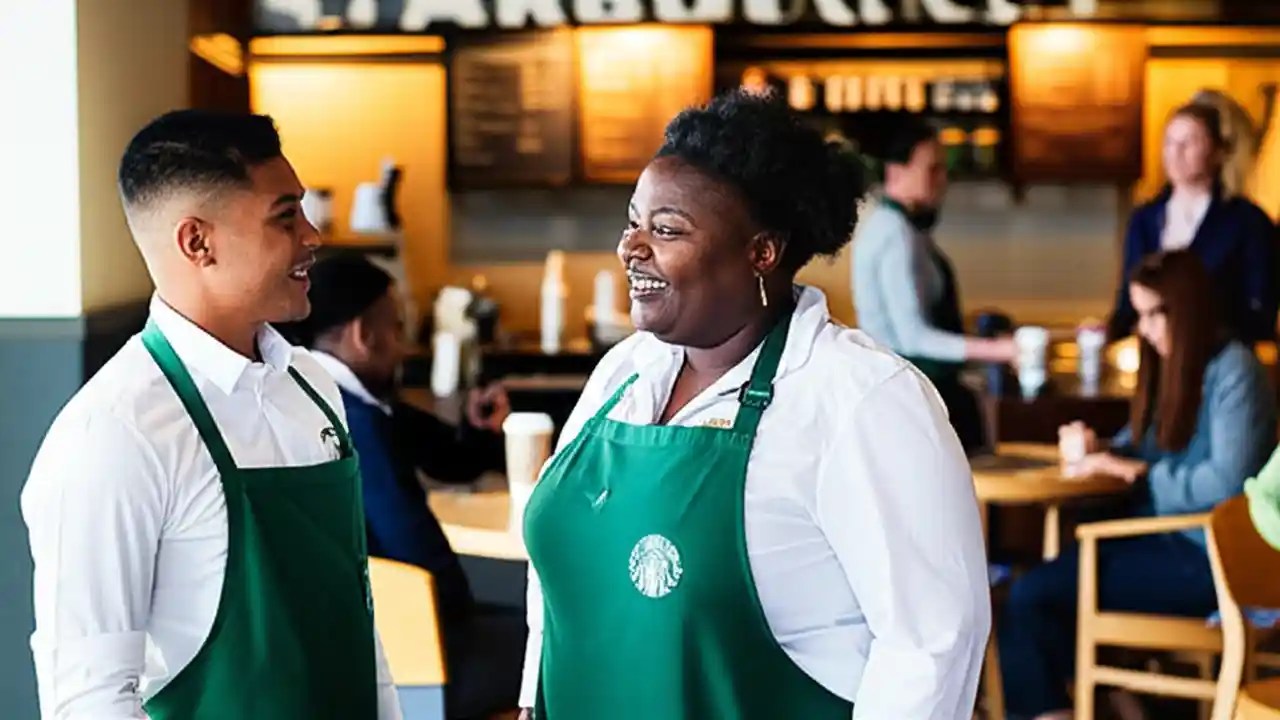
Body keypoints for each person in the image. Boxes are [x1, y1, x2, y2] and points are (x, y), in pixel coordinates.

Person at [518, 91, 991, 720]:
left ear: (761, 252)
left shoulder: (860, 400)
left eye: (667, 229)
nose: (631, 247)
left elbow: (930, 646)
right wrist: (530, 701)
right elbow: (557, 587)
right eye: (633, 221)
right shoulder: (623, 375)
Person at [20, 111, 402, 718]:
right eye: (285, 217)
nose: (313, 236)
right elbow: (89, 701)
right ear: (197, 241)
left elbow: (354, 613)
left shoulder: (312, 386)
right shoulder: (112, 435)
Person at [1000, 251, 1277, 720]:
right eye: (1140, 315)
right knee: (1035, 595)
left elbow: (1228, 481)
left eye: (1155, 314)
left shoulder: (1235, 371)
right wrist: (1101, 449)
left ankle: (1110, 704)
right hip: (1167, 541)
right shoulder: (1170, 369)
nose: (1144, 329)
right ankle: (1119, 704)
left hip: (1209, 557)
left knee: (1031, 597)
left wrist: (1142, 474)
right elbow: (1140, 446)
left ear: (1186, 309)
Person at [297, 252, 525, 720]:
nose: (402, 348)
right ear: (364, 335)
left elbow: (443, 455)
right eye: (396, 329)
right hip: (414, 658)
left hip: (357, 641)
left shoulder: (324, 397)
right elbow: (418, 551)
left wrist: (478, 431)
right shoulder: (354, 422)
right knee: (555, 641)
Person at [852, 119, 1016, 453]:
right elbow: (912, 337)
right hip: (910, 396)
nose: (943, 181)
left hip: (912, 392)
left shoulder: (900, 228)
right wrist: (999, 350)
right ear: (897, 172)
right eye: (933, 169)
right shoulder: (894, 234)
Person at [1106, 102, 1278, 344]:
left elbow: (1261, 309)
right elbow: (1127, 301)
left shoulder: (1248, 221)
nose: (1176, 152)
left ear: (1218, 152)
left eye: (1189, 142)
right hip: (1153, 356)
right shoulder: (1144, 219)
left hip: (1221, 355)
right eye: (1169, 142)